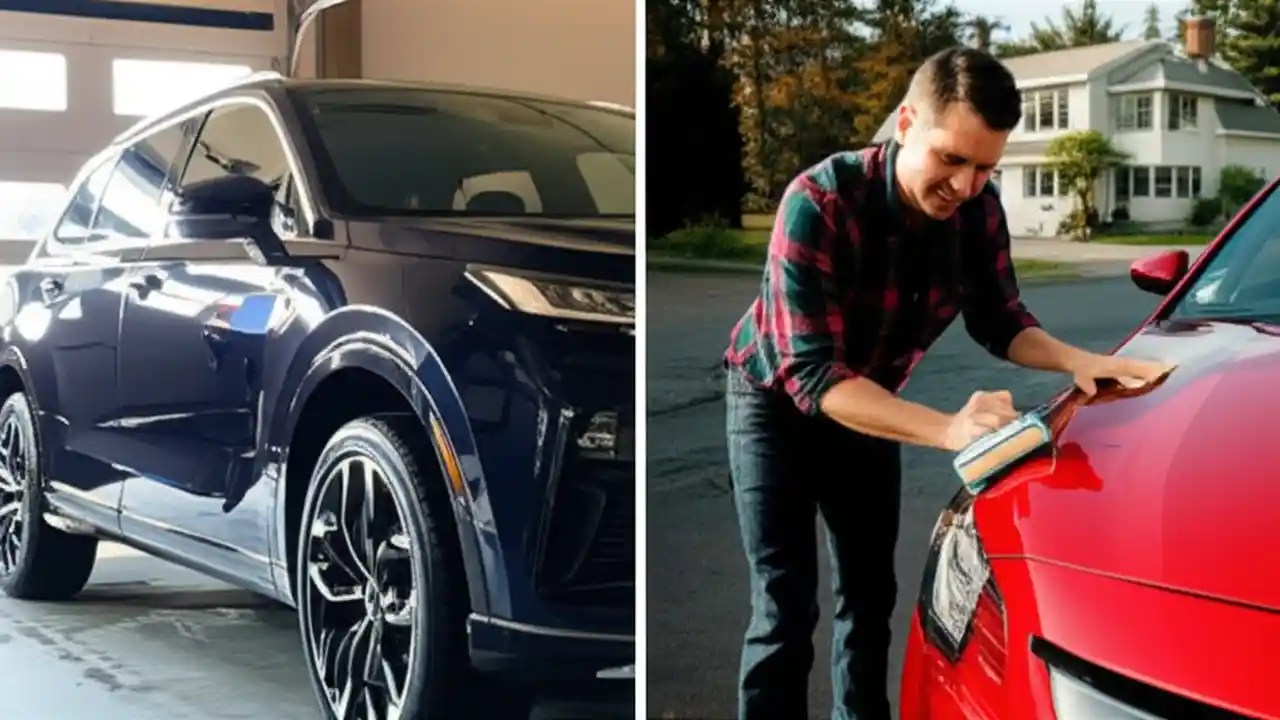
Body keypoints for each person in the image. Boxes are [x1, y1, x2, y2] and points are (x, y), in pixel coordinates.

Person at [721, 46, 1168, 720]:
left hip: (872, 407)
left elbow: (1000, 318)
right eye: (951, 158)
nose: (964, 184)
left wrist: (1078, 361)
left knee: (869, 597)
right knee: (784, 605)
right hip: (773, 404)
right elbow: (813, 375)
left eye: (985, 167)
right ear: (906, 123)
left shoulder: (978, 212)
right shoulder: (819, 201)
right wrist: (950, 429)